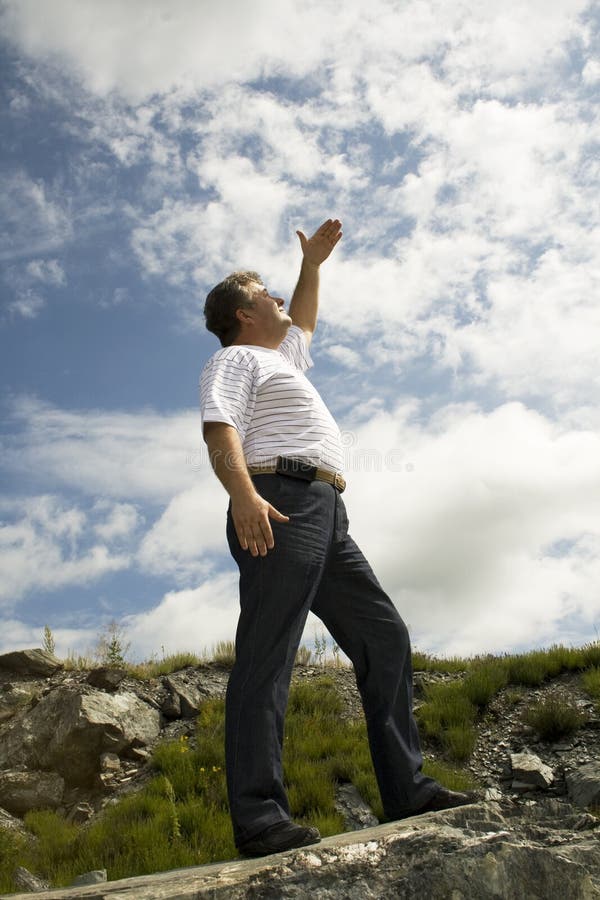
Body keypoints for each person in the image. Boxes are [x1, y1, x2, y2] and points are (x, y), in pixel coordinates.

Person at [199, 218, 473, 857]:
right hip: (278, 501)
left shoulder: (280, 357)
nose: (276, 299)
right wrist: (244, 498)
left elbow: (305, 321)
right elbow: (219, 431)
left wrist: (312, 266)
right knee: (269, 651)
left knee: (384, 635)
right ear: (242, 313)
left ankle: (408, 789)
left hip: (327, 509)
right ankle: (261, 818)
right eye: (263, 292)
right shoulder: (234, 358)